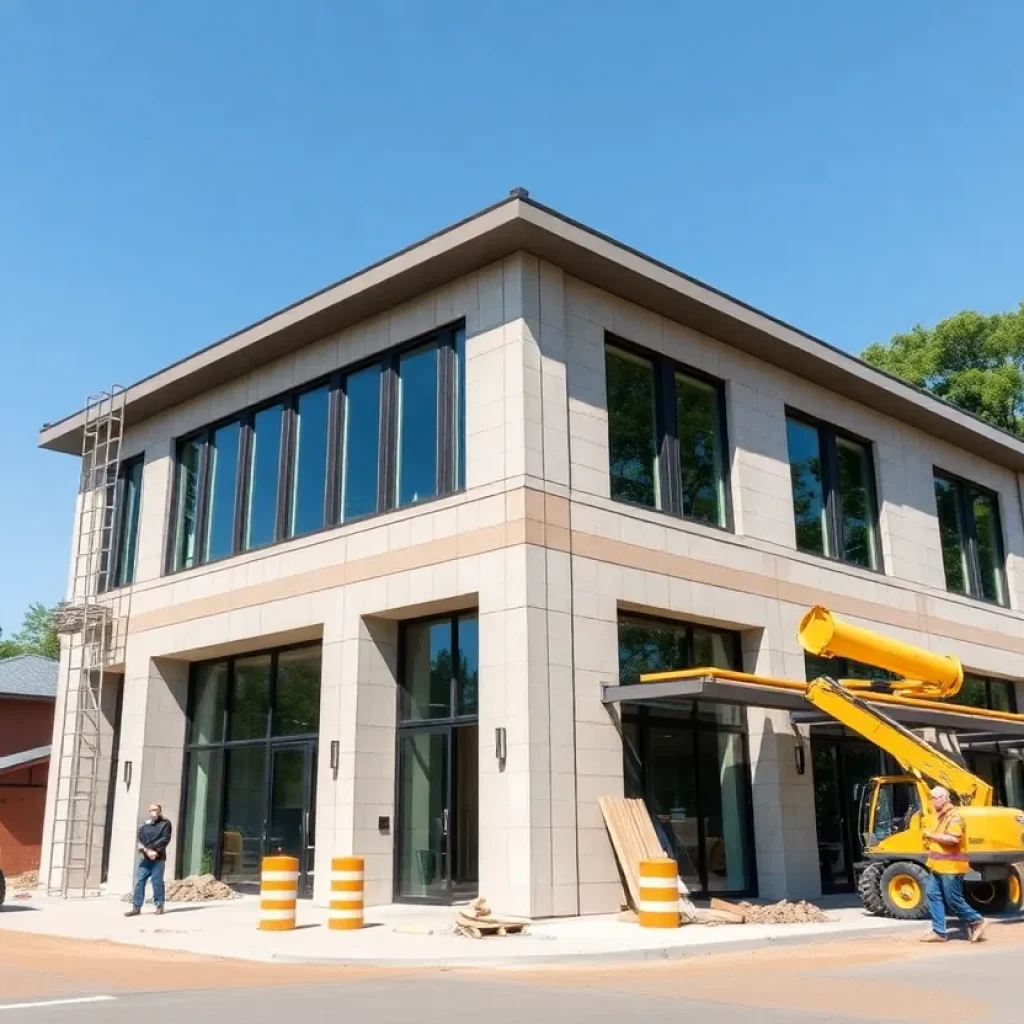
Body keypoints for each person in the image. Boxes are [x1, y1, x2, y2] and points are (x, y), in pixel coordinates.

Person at [920, 785, 986, 943]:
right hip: (936, 866)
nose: (932, 801)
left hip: (951, 867)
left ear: (944, 798)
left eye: (935, 797)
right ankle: (939, 932)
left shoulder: (954, 817)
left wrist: (931, 836)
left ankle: (977, 919)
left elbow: (953, 839)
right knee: (933, 895)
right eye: (932, 797)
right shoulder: (940, 817)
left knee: (954, 900)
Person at [125, 802, 172, 917]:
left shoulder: (165, 823)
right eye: (151, 810)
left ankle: (159, 905)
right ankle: (136, 907)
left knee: (157, 882)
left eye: (155, 810)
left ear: (160, 811)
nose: (153, 812)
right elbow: (140, 838)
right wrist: (147, 851)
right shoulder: (145, 825)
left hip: (158, 857)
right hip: (145, 858)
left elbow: (165, 839)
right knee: (139, 881)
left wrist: (153, 850)